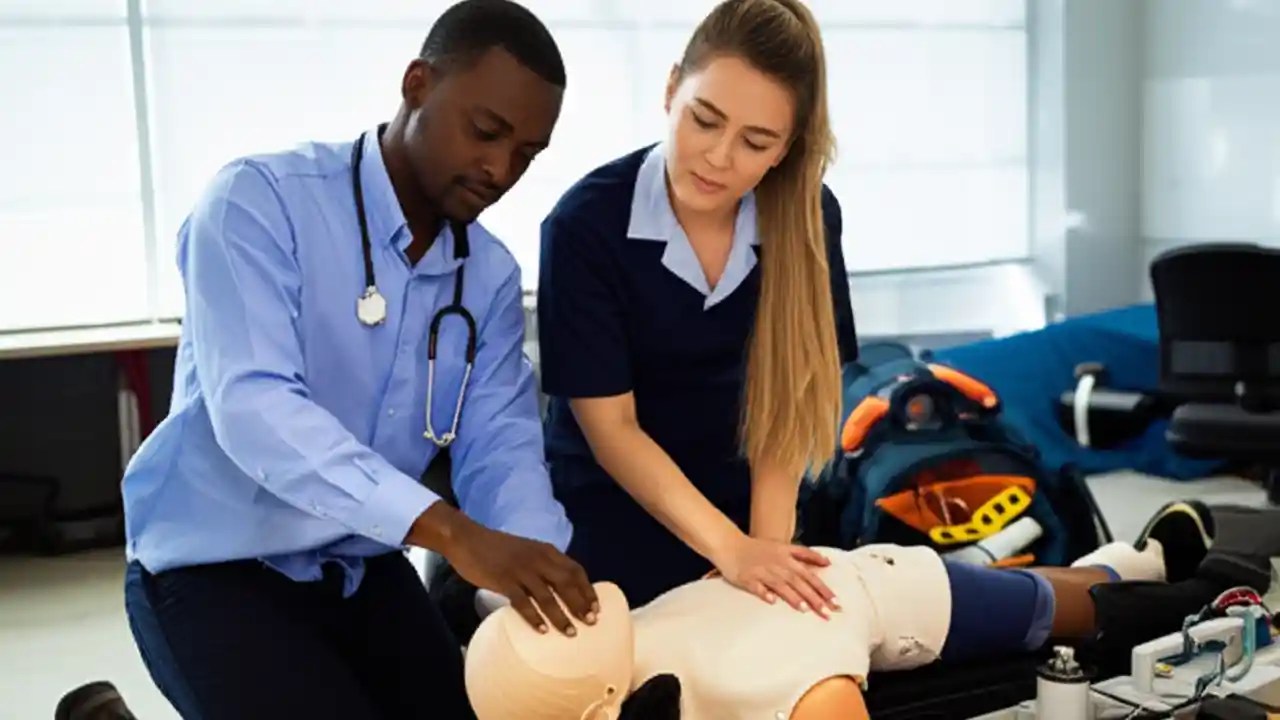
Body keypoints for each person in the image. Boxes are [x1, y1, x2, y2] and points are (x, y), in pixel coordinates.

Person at [120, 2, 598, 718]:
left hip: (360, 563)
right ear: (417, 84)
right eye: (485, 131)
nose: (500, 169)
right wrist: (454, 534)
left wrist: (534, 575)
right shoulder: (258, 203)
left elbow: (501, 445)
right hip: (214, 567)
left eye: (527, 154)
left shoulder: (488, 276)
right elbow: (256, 410)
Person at [536, 0, 858, 612]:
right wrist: (730, 552)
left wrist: (764, 557)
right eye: (704, 120)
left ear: (784, 150)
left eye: (755, 142)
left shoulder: (811, 219)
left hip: (751, 520)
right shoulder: (585, 225)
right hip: (607, 524)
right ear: (670, 91)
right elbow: (613, 431)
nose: (719, 156)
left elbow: (787, 412)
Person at [464, 500, 1275, 720]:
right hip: (838, 577)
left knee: (1071, 612)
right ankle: (1132, 557)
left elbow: (832, 701)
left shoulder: (747, 676)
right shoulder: (634, 639)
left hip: (900, 594)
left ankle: (1175, 575)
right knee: (1039, 588)